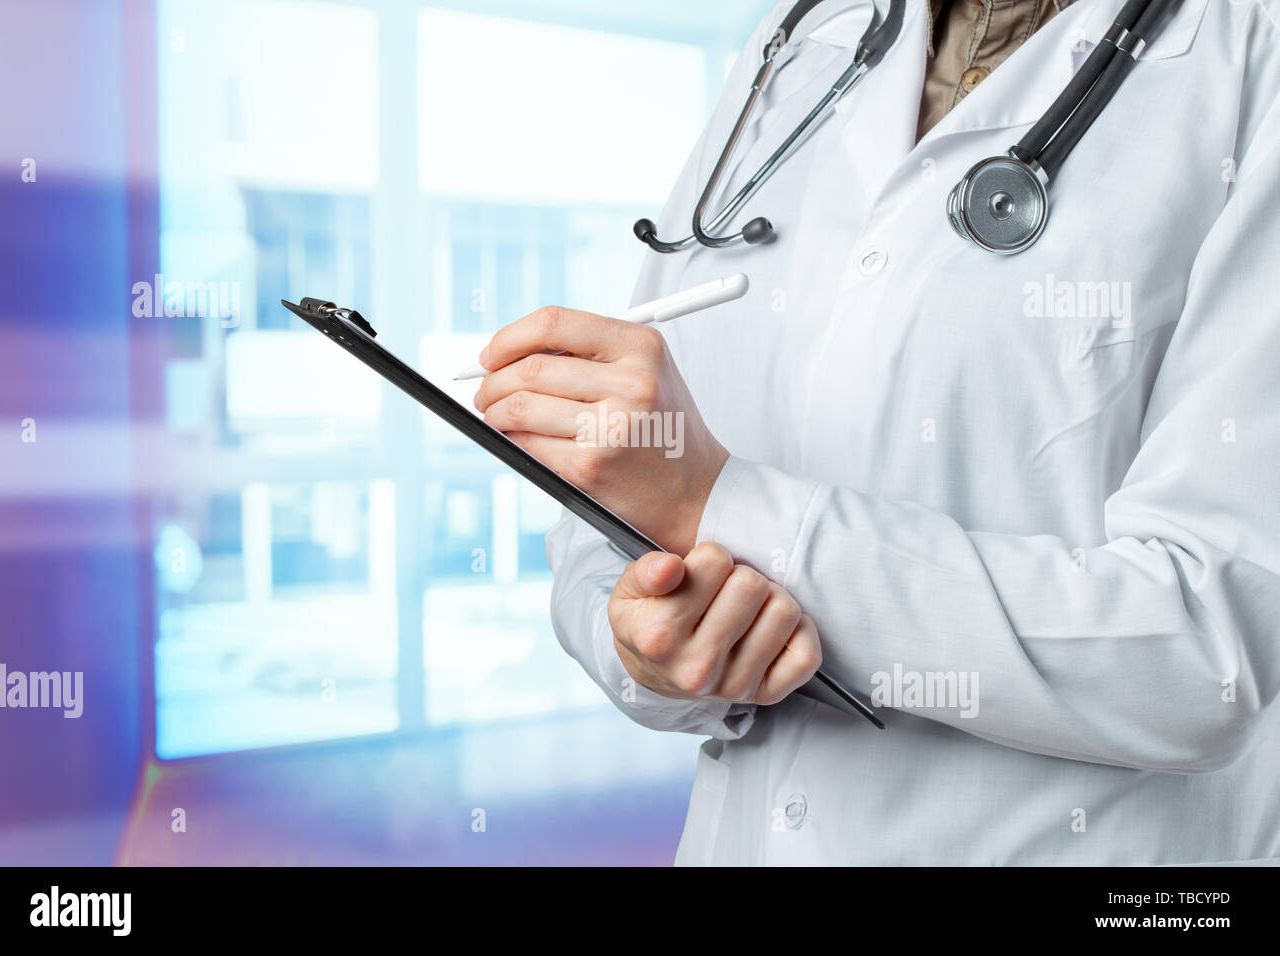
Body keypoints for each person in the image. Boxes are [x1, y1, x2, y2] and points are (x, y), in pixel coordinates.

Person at [471, 0, 1280, 864]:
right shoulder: (809, 37)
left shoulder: (1245, 50)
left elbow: (1210, 650)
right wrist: (651, 649)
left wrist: (730, 508)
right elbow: (631, 507)